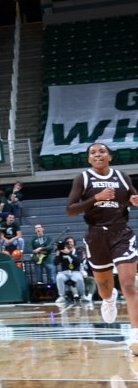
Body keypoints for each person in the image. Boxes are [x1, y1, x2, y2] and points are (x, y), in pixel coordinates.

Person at [65, 141, 138, 352]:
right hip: (96, 234)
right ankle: (109, 299)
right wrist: (95, 198)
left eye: (102, 151)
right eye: (93, 153)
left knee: (129, 285)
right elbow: (70, 210)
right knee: (105, 288)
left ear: (109, 157)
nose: (97, 154)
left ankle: (135, 336)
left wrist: (134, 200)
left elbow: (133, 197)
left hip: (121, 233)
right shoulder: (83, 178)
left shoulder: (123, 177)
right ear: (89, 159)